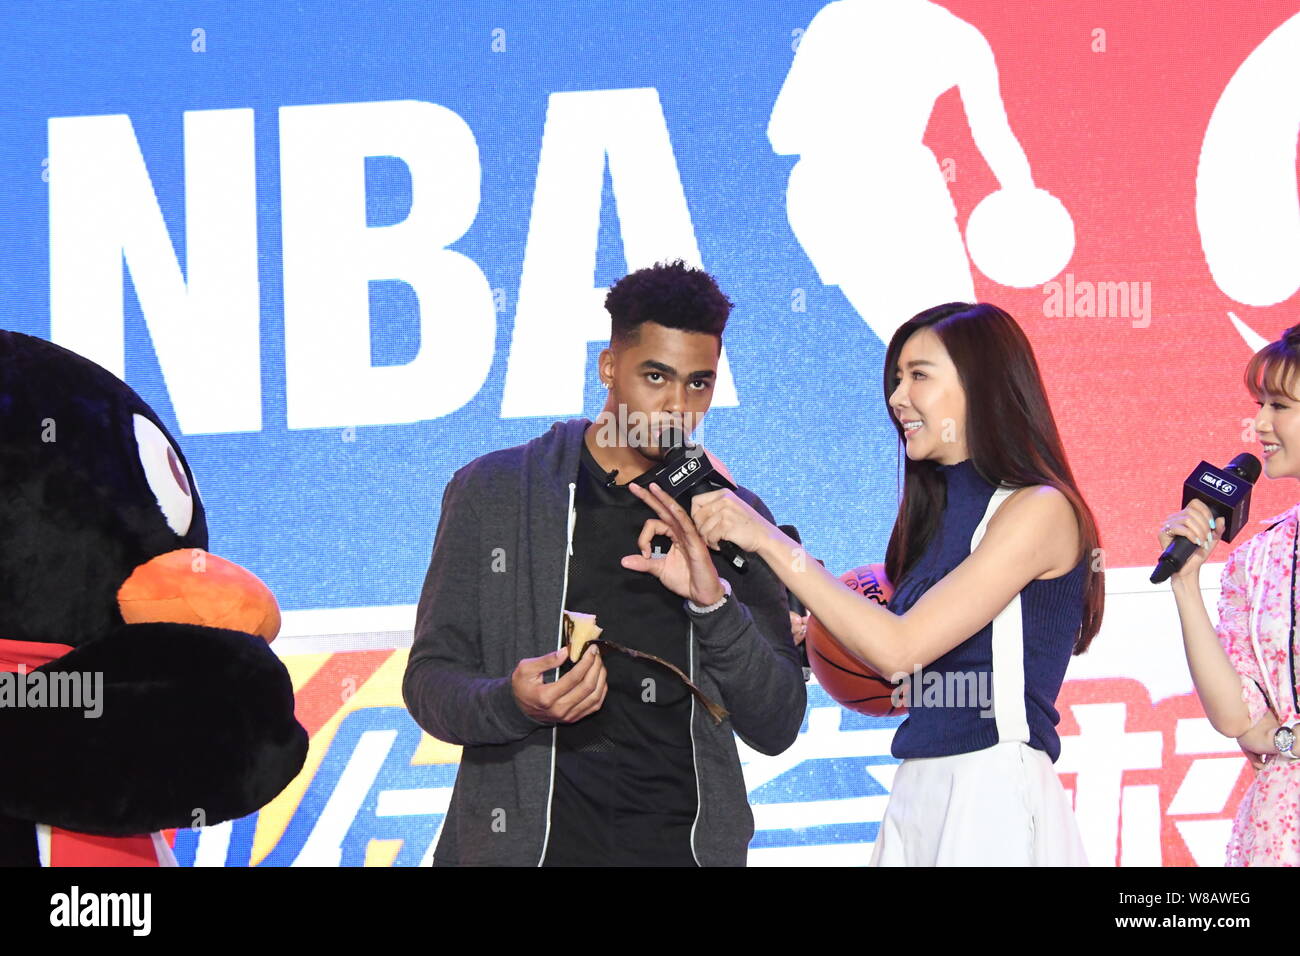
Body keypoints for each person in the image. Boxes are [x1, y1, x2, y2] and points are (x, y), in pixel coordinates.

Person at [633, 301, 1103, 865]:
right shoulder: (933, 519)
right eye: (897, 379)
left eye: (919, 376)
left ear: (984, 384)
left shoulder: (1040, 509)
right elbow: (889, 657)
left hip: (993, 787)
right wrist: (754, 607)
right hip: (919, 788)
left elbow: (901, 649)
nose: (897, 397)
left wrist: (765, 536)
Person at [403, 259, 805, 867]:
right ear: (609, 367)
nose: (677, 406)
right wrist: (513, 705)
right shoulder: (498, 492)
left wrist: (714, 605)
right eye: (656, 376)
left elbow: (775, 724)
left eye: (699, 383)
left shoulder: (735, 518)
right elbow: (430, 681)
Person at [1158, 324, 1300, 866]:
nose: (1259, 424)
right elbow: (1237, 718)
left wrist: (1277, 737)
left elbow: (1269, 733)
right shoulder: (1257, 557)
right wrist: (1187, 581)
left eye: (1279, 406)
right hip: (1275, 834)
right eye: (1260, 404)